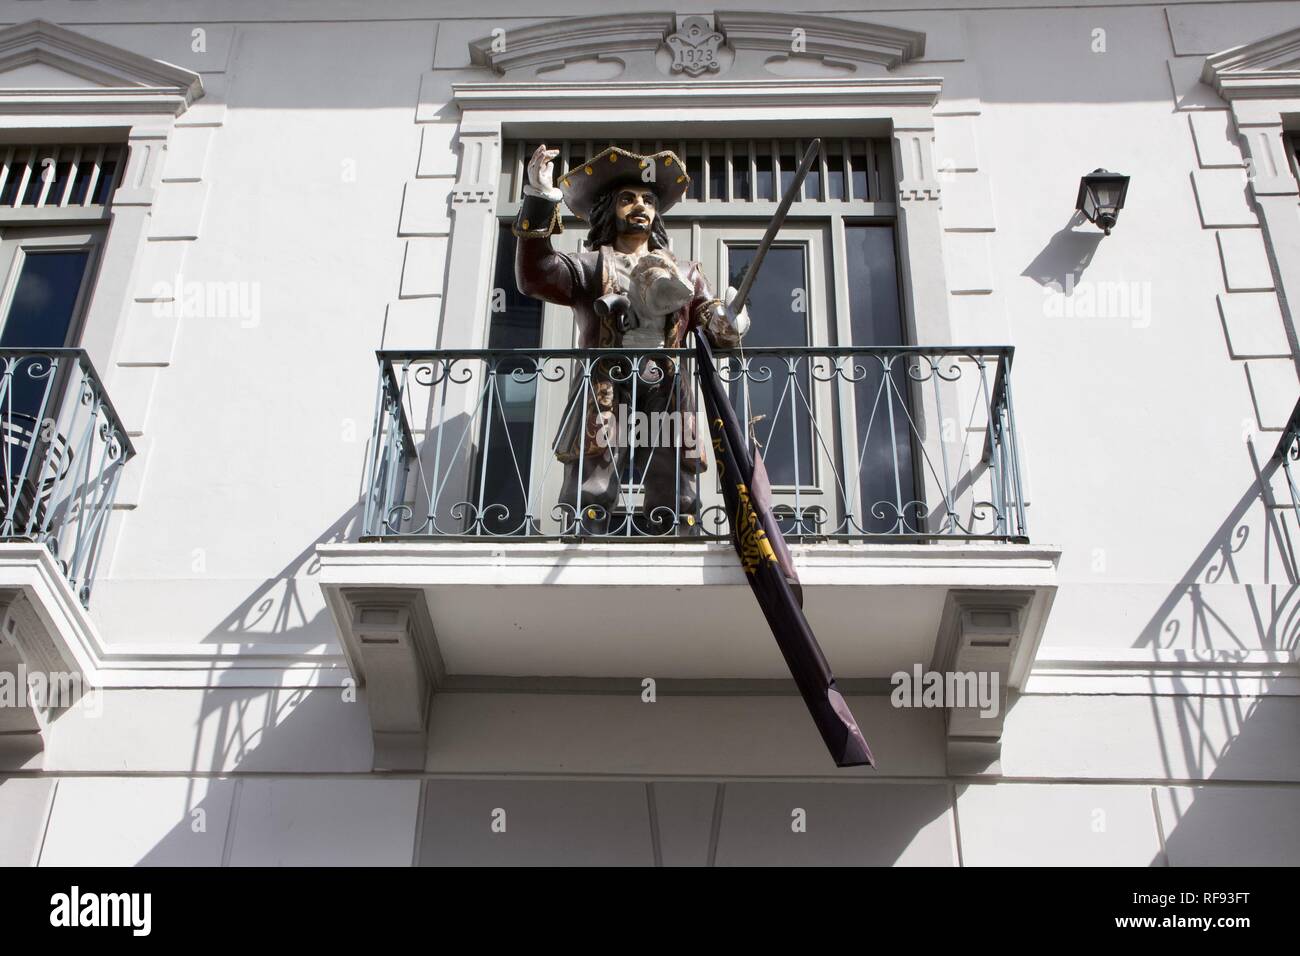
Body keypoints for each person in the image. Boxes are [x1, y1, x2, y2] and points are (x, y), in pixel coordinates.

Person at [514, 143, 749, 535]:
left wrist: (730, 323)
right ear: (610, 208)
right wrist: (540, 198)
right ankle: (585, 535)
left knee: (675, 477)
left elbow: (712, 323)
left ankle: (676, 531)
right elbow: (534, 275)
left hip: (666, 382)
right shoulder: (588, 265)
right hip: (607, 383)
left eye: (647, 200)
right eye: (627, 199)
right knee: (594, 477)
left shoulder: (688, 272)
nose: (639, 206)